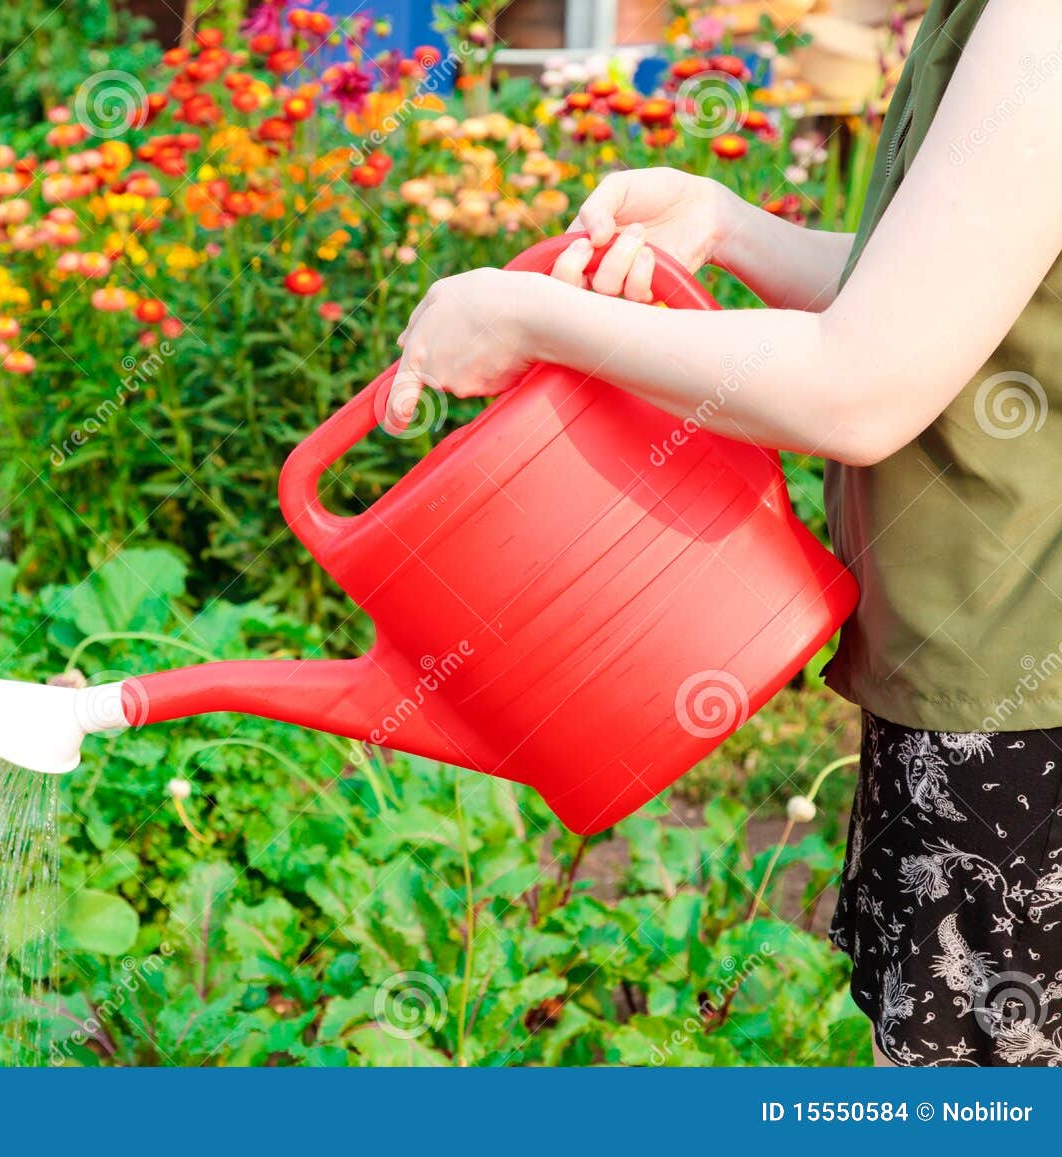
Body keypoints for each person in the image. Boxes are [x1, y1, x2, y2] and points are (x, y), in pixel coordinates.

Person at [394, 0, 1062, 1067]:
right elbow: (955, 289)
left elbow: (861, 387)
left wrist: (524, 318)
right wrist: (731, 226)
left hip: (1025, 715)